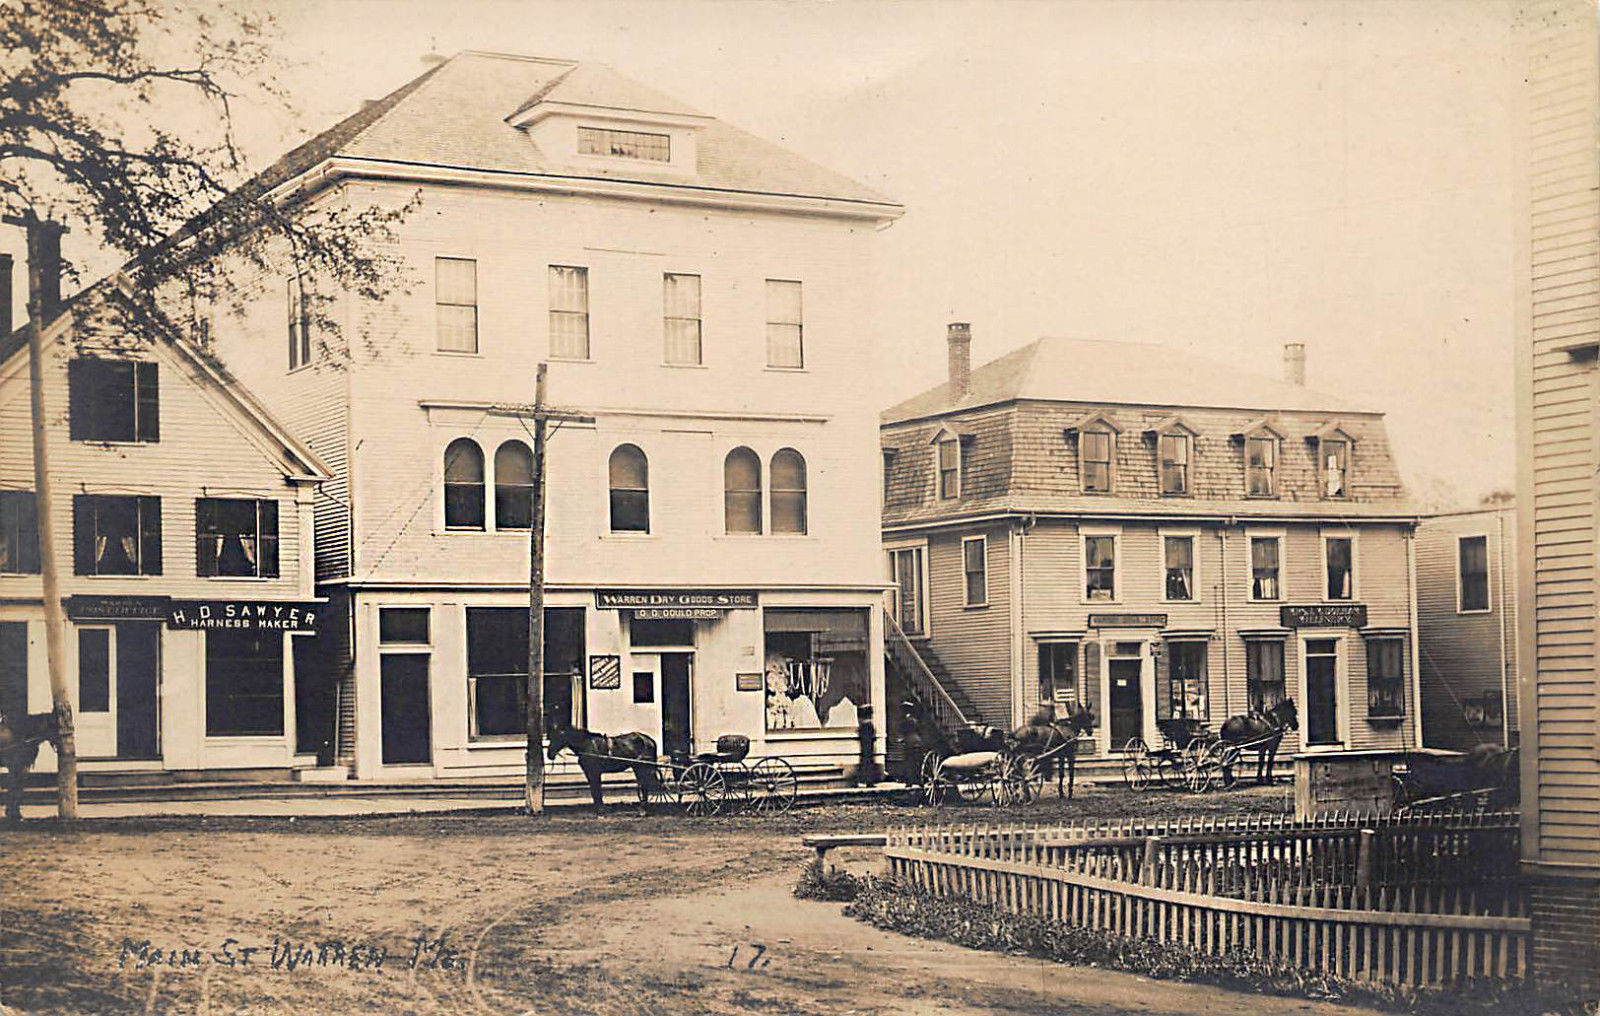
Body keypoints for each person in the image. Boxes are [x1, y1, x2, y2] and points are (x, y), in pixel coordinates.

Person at [856, 704, 879, 786]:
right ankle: (869, 781)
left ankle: (863, 781)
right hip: (869, 747)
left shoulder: (862, 726)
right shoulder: (869, 725)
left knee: (864, 763)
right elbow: (873, 737)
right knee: (869, 764)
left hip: (864, 747)